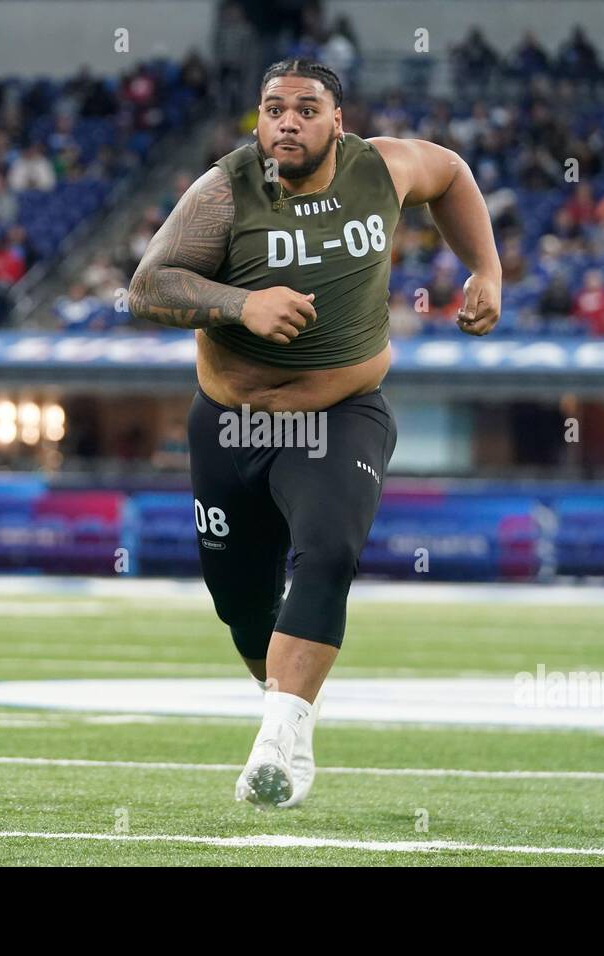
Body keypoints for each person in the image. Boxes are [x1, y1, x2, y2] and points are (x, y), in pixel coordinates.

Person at [128, 60, 501, 809]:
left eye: (305, 109)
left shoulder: (384, 167)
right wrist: (240, 305)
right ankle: (293, 714)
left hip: (340, 413)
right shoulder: (224, 191)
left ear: (338, 120)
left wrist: (486, 270)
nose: (287, 122)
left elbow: (453, 174)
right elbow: (147, 287)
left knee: (329, 552)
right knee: (241, 606)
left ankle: (275, 743)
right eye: (272, 109)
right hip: (230, 424)